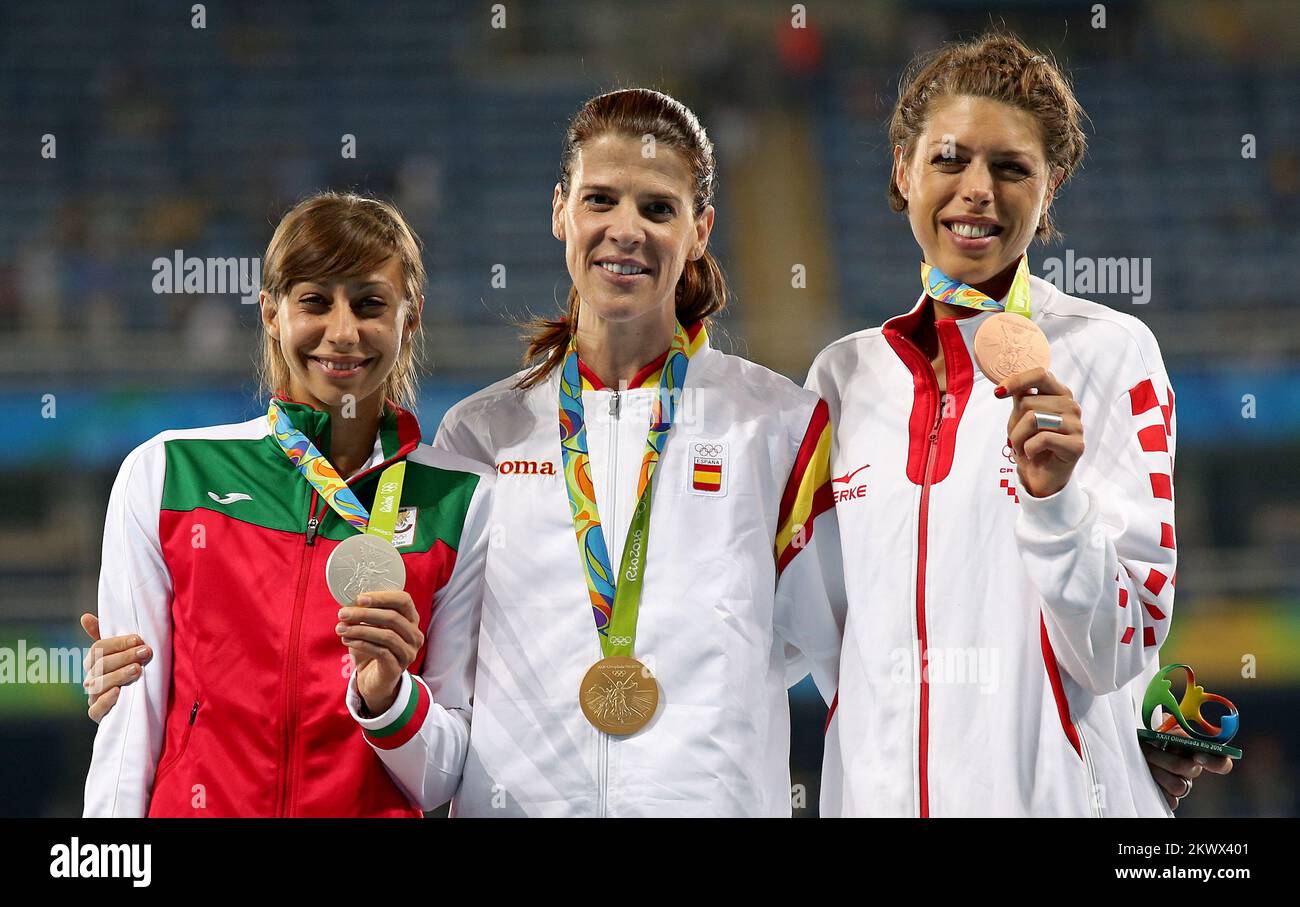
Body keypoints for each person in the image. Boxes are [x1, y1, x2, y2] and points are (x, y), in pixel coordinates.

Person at [807, 31, 1231, 816]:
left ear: (1051, 188)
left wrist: (1055, 503)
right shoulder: (841, 379)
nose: (978, 190)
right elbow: (822, 639)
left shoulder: (1110, 355)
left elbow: (1117, 647)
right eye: (949, 159)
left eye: (1011, 168)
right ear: (903, 170)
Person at [82, 192, 494, 816]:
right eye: (314, 301)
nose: (343, 331)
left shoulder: (463, 501)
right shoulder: (168, 473)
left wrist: (389, 697)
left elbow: (442, 778)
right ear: (272, 313)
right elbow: (128, 722)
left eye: (370, 304)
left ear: (410, 319)